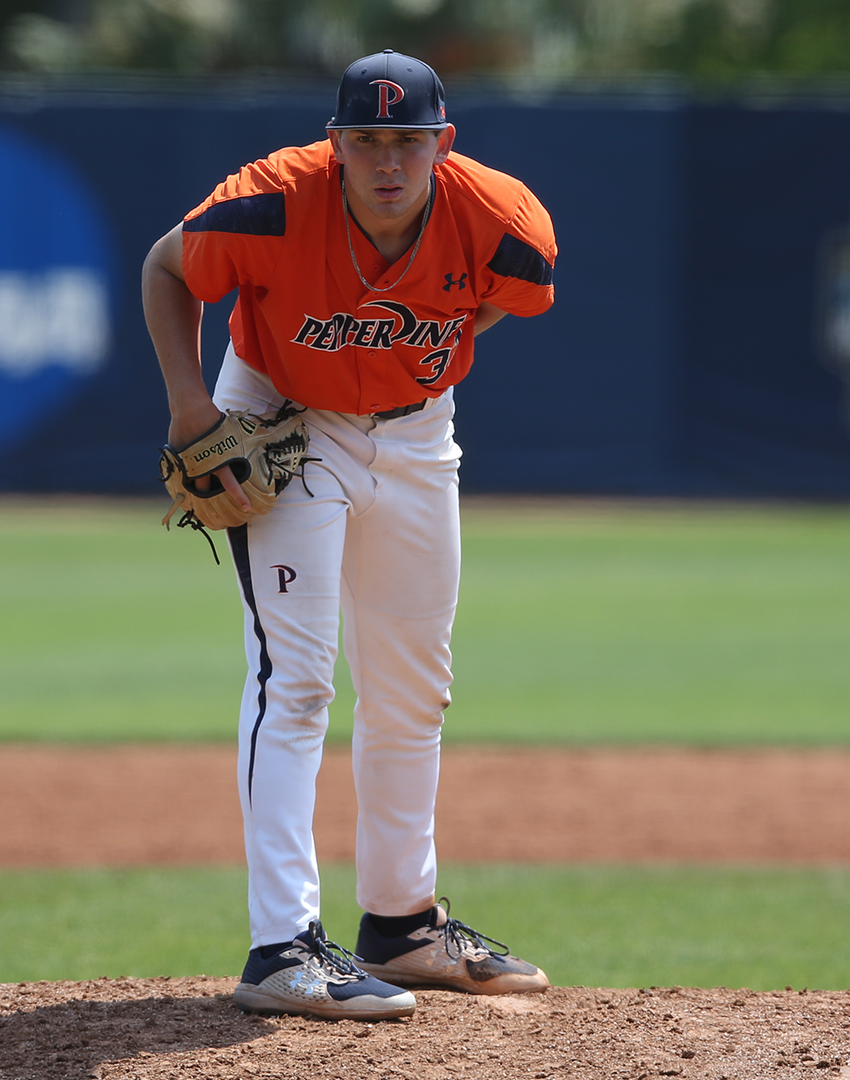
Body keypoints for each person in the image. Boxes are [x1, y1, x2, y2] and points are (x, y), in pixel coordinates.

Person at [141, 50, 558, 1020]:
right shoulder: (271, 203)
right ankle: (281, 947)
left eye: (405, 141)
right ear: (334, 146)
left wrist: (413, 343)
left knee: (415, 684)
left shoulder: (504, 223)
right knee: (298, 679)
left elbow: (507, 295)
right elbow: (169, 264)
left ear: (440, 146)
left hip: (418, 434)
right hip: (283, 423)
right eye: (365, 139)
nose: (385, 160)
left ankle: (403, 925)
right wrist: (190, 407)